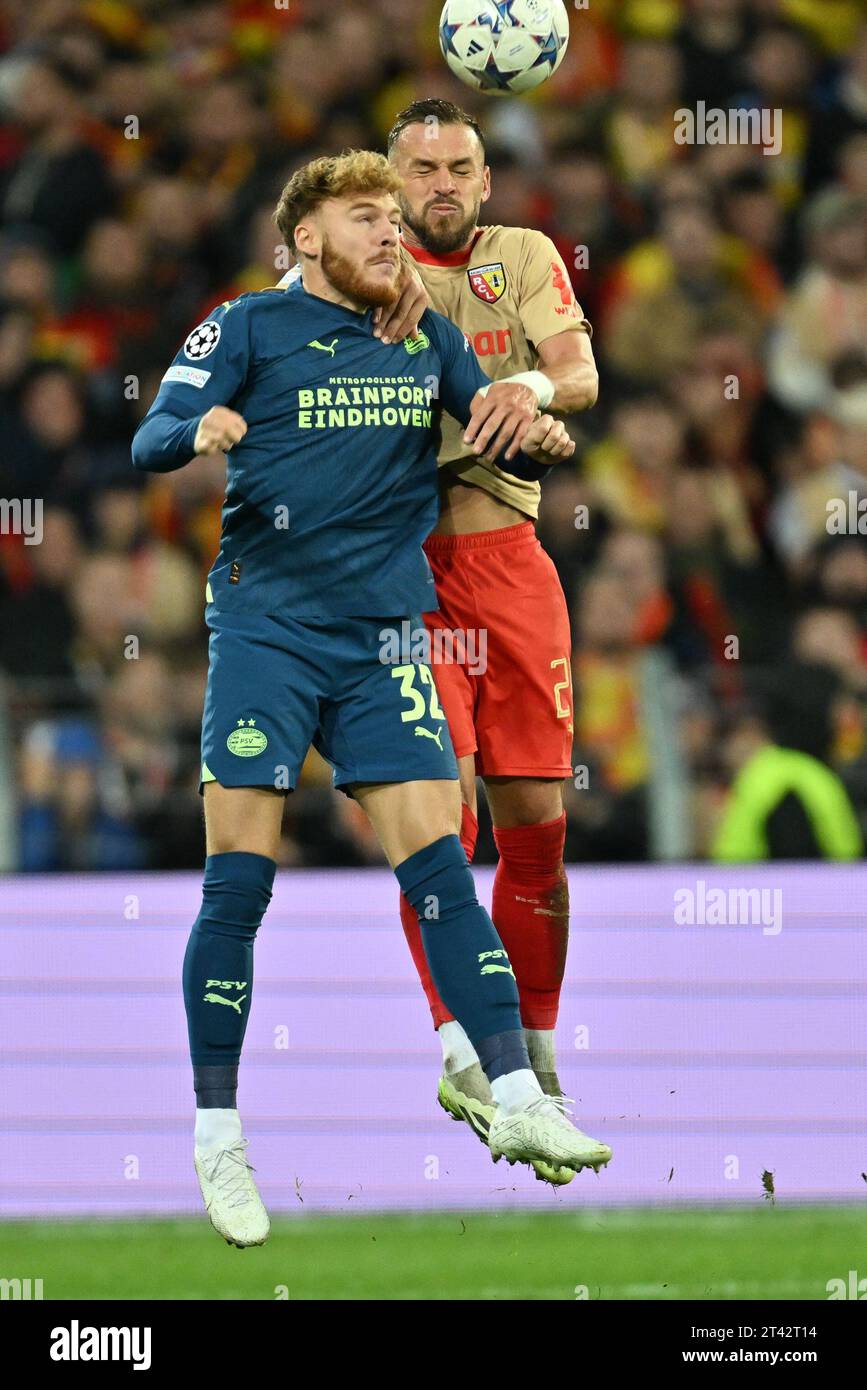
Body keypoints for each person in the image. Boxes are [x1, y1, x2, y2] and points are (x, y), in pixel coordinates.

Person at [132, 150, 612, 1247]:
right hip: (268, 634)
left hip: (387, 636)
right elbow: (147, 435)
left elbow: (486, 416)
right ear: (307, 236)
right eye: (366, 217)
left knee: (443, 864)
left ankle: (520, 1096)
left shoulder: (420, 333)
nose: (390, 234)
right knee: (239, 889)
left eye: (396, 219)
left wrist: (529, 421)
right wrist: (197, 434)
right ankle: (218, 1134)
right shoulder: (246, 327)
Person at [368, 99, 600, 1185]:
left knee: (538, 827)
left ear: (488, 180)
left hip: (511, 562)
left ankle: (539, 1055)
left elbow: (581, 373)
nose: (444, 184)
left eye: (462, 165)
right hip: (406, 574)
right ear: (392, 178)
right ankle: (463, 1050)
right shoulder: (348, 272)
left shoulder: (525, 256)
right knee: (441, 815)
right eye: (423, 169)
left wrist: (531, 390)